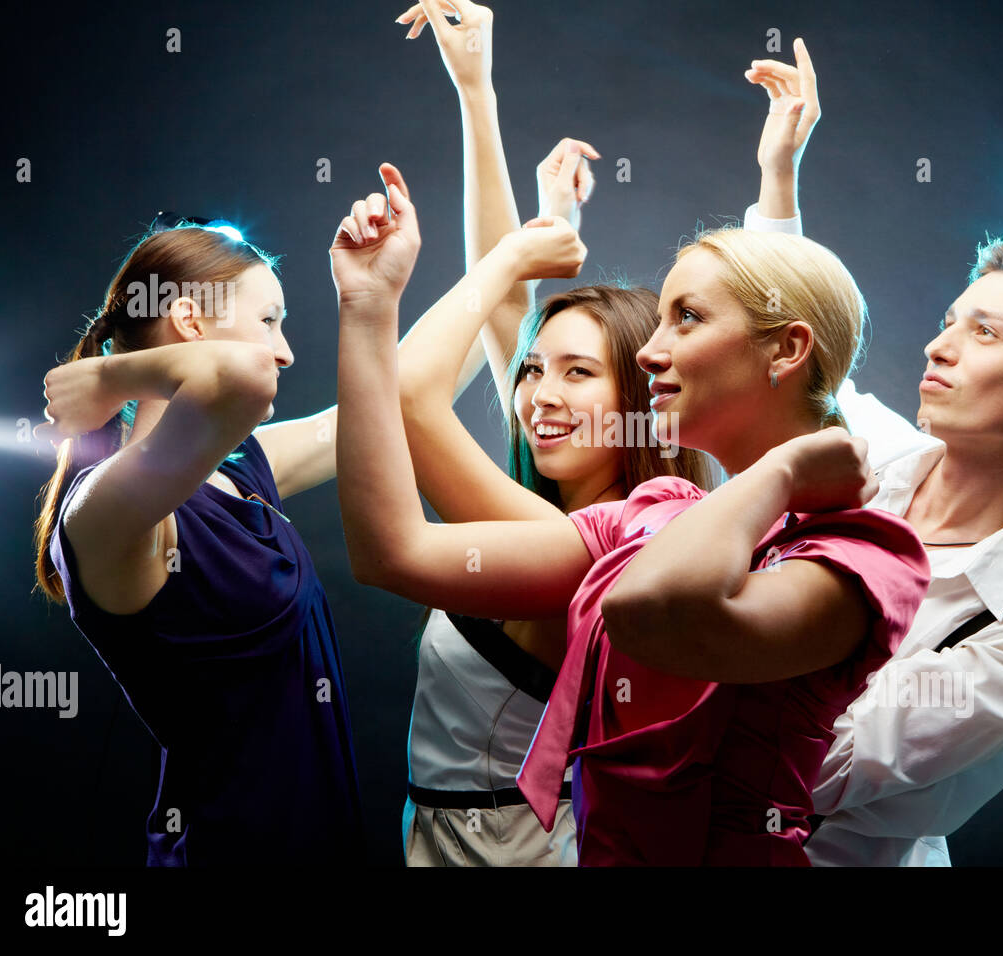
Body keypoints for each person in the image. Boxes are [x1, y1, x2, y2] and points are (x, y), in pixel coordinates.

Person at [330, 160, 931, 865]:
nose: (650, 350)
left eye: (688, 318)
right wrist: (367, 307)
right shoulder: (656, 511)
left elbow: (656, 610)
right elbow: (390, 553)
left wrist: (783, 469)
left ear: (787, 350)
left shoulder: (861, 554)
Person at [741, 48, 1003, 866]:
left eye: (984, 331)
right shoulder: (877, 460)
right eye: (951, 319)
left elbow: (818, 767)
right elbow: (798, 354)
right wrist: (779, 172)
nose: (937, 346)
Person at [390, 0, 711, 865]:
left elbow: (411, 391)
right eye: (535, 373)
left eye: (578, 374)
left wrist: (526, 255)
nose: (536, 395)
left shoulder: (578, 548)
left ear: (640, 403)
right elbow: (505, 313)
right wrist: (476, 88)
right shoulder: (550, 486)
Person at [32, 223, 365, 865]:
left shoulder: (241, 469)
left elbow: (396, 400)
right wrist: (111, 379)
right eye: (268, 320)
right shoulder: (102, 511)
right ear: (189, 322)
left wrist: (510, 258)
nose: (285, 350)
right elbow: (243, 378)